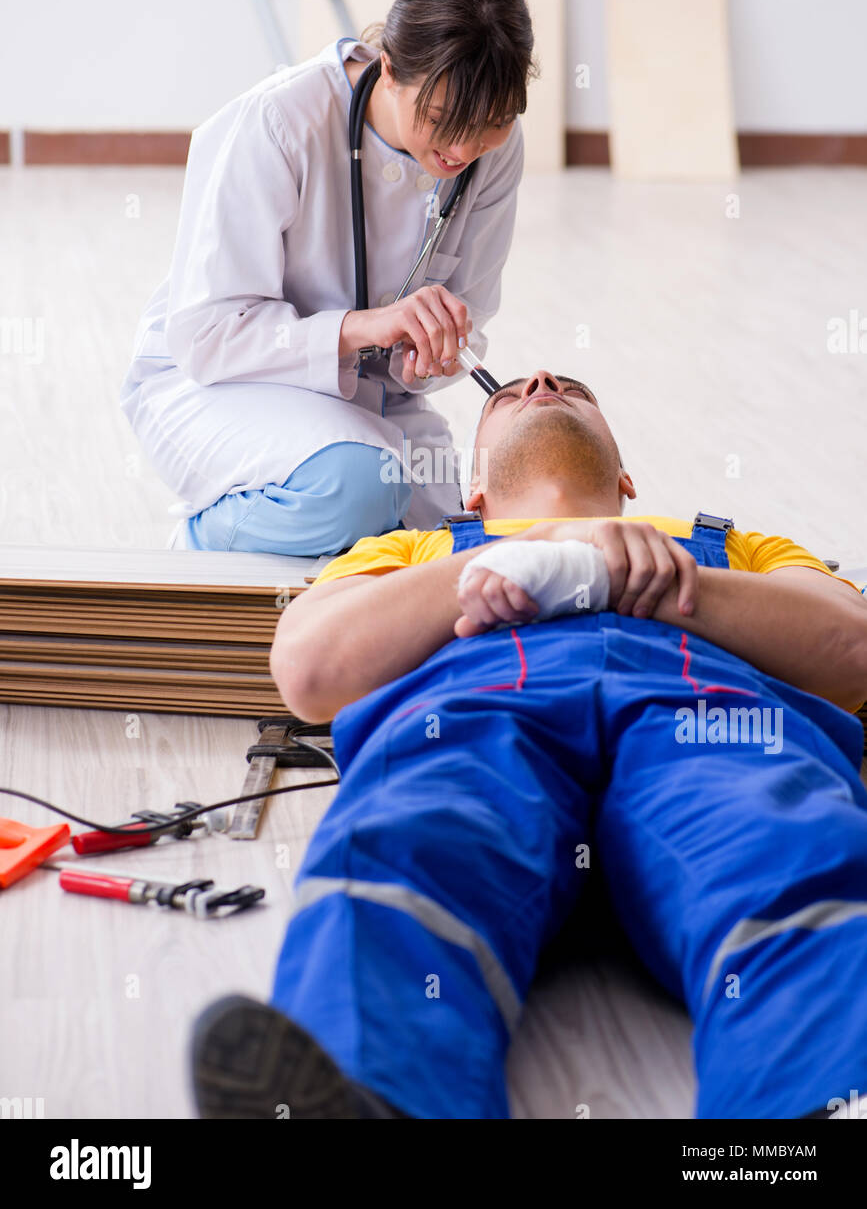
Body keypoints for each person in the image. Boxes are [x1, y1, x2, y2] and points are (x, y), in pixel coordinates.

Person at [189, 369, 867, 1119]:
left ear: (627, 478)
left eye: (570, 385)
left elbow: (851, 650)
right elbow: (309, 669)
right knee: (406, 838)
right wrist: (531, 551)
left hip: (708, 723)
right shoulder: (413, 548)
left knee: (790, 845)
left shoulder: (737, 545)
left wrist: (629, 572)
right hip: (476, 720)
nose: (540, 378)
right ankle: (375, 1097)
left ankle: (824, 1108)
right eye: (506, 394)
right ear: (472, 492)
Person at [119, 0, 536, 554]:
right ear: (389, 69)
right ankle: (204, 542)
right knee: (358, 492)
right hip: (213, 381)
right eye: (443, 120)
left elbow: (469, 305)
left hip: (369, 399)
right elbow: (205, 334)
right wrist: (364, 328)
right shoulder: (276, 122)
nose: (464, 149)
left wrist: (426, 352)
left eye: (491, 123)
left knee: (467, 549)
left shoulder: (497, 151)